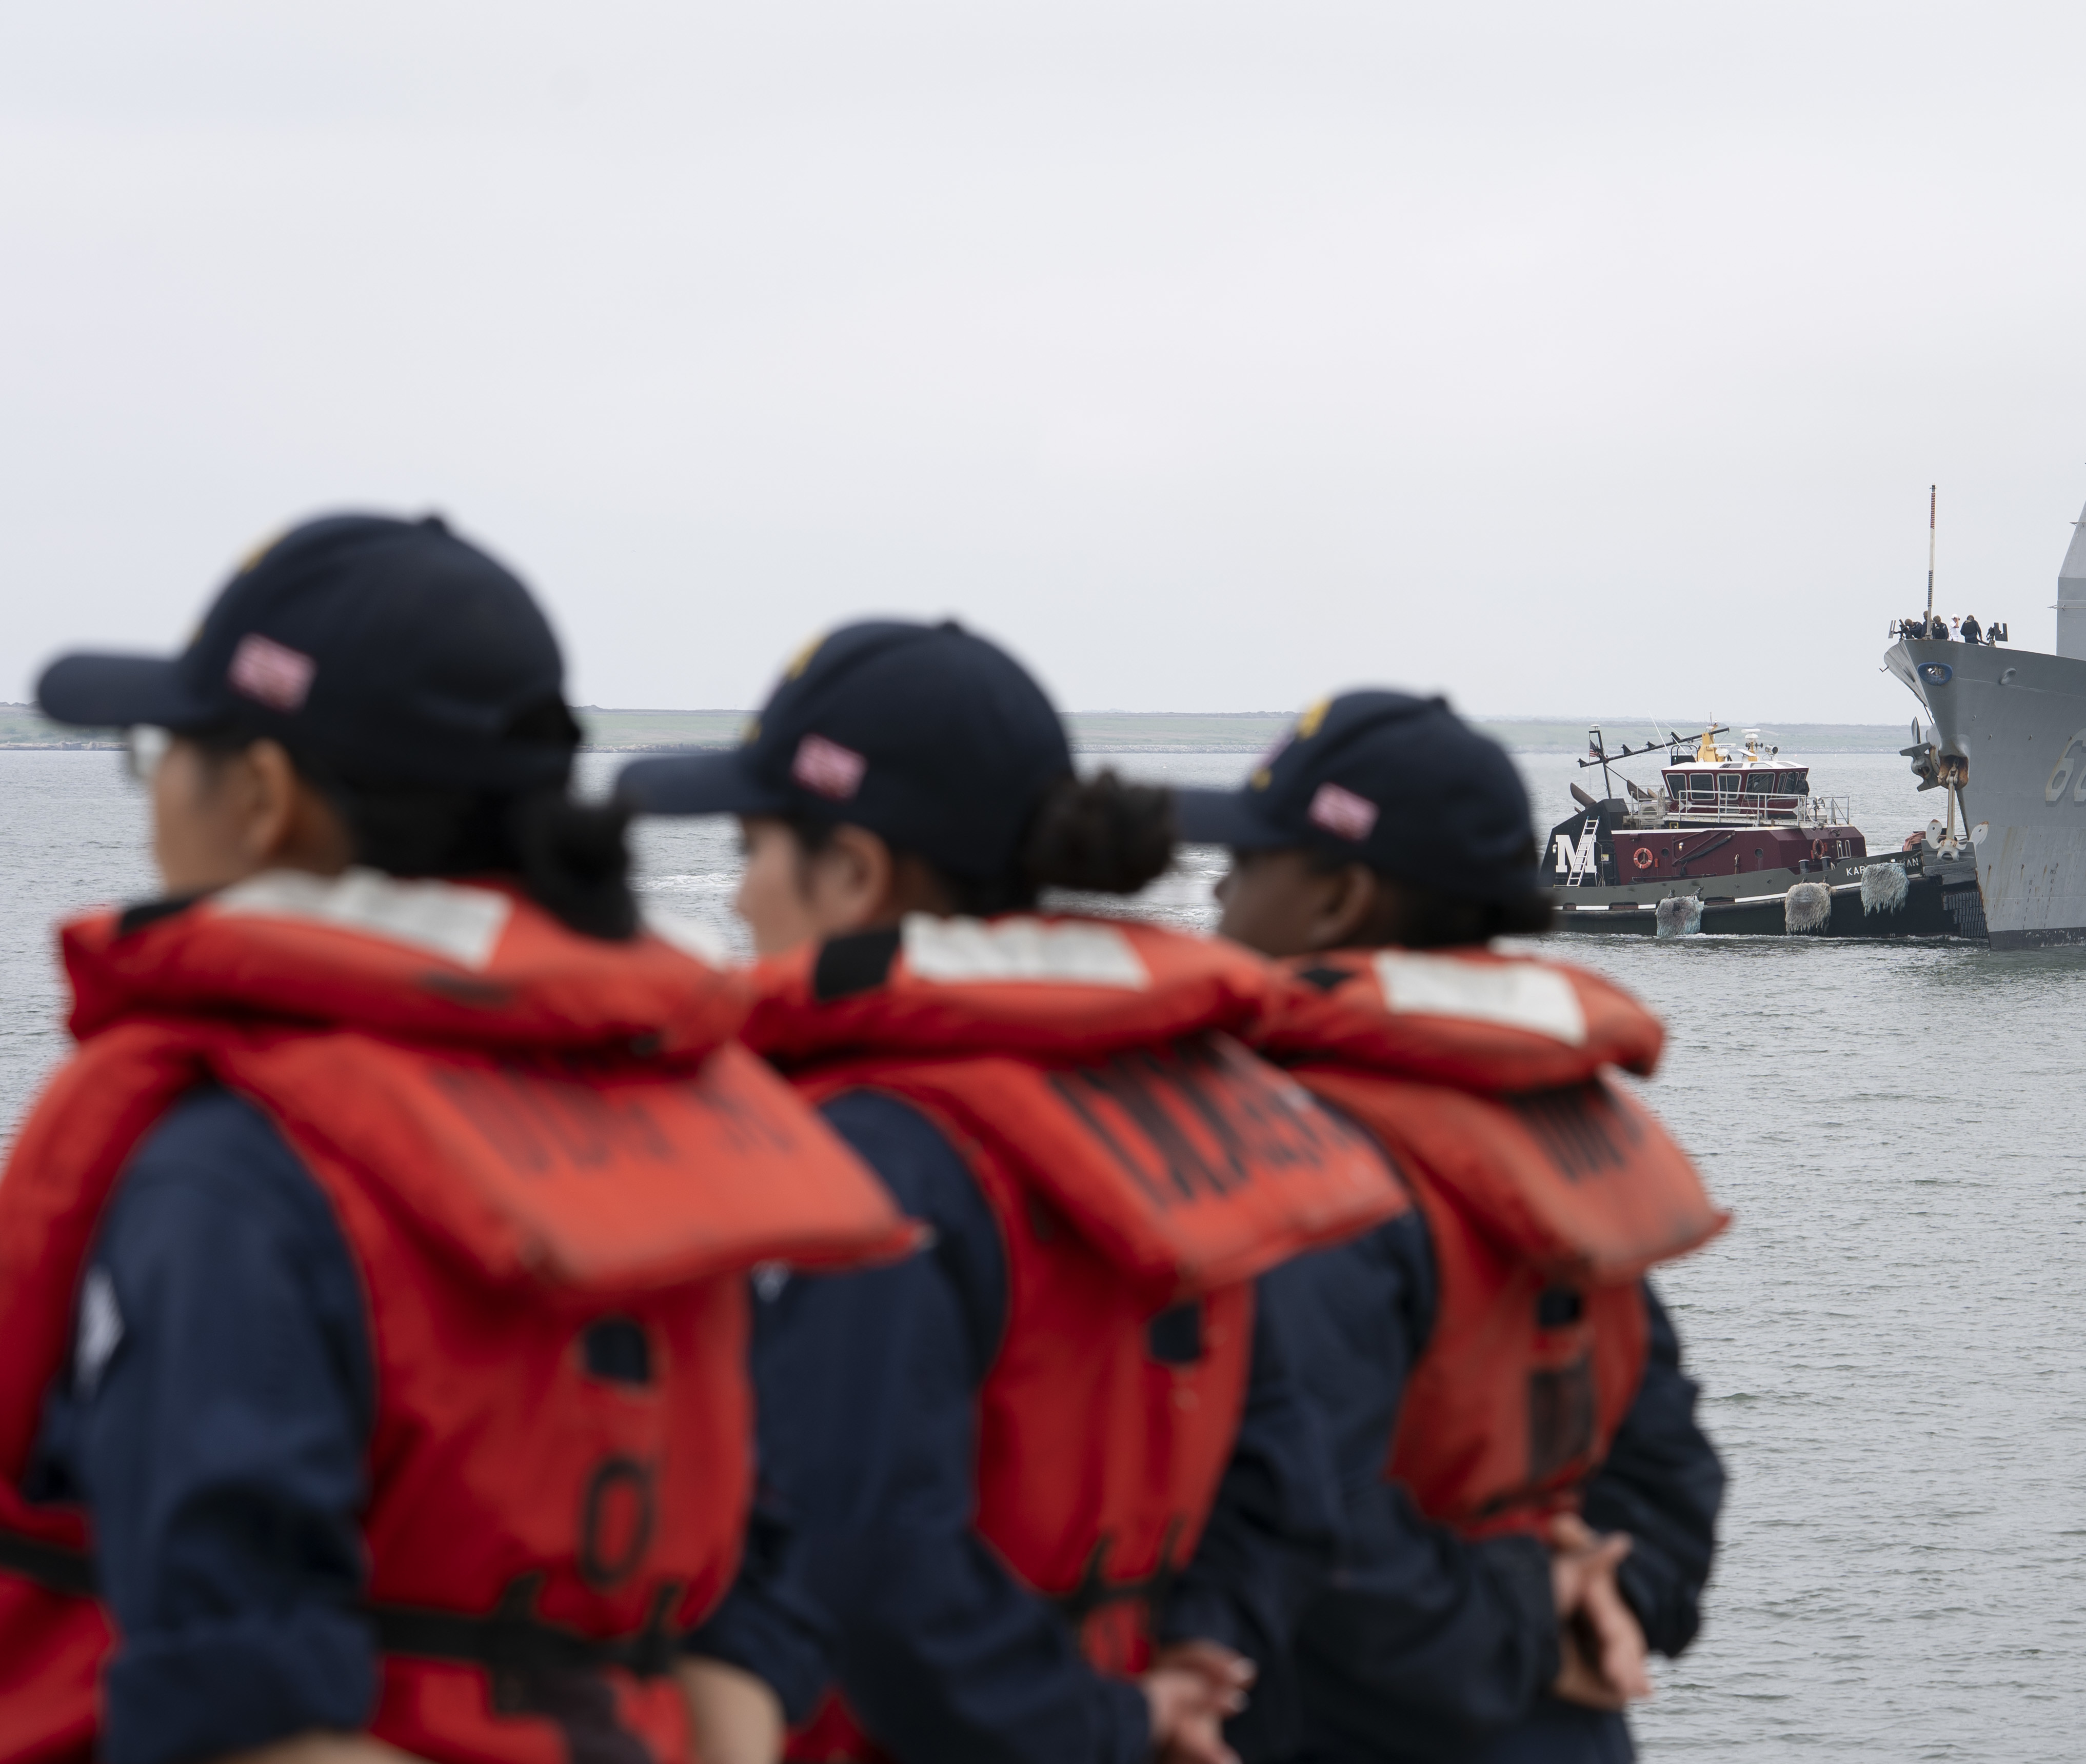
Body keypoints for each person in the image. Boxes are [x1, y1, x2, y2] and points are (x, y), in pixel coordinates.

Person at [0, 513, 918, 1764]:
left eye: (164, 749)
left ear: (263, 798)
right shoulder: (677, 1133)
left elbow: (235, 1703)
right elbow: (745, 1604)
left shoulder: (238, 1168)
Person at [617, 624, 1410, 1764]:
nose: (739, 896)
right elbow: (1289, 1469)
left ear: (853, 872)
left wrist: (1113, 1721)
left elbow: (870, 1563)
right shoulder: (1188, 1110)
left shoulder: (877, 1155)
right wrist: (1194, 1662)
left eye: (754, 845)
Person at [1186, 693, 1729, 1764]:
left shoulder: (1308, 1163)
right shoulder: (1563, 1137)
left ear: (1336, 896)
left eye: (1245, 865)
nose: (1216, 893)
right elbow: (1673, 1479)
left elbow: (1315, 1531)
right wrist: (1592, 1609)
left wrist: (1524, 1627)